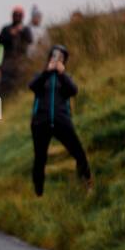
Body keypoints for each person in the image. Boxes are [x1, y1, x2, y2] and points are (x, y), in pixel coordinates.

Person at [29, 44, 92, 196]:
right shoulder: (41, 75)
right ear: (49, 58)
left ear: (64, 61)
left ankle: (86, 185)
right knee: (40, 158)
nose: (56, 60)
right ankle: (38, 193)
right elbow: (32, 86)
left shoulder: (66, 78)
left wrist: (62, 74)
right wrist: (47, 71)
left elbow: (73, 90)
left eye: (61, 58)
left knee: (79, 153)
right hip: (40, 122)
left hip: (61, 121)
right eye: (54, 56)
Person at [0, 5, 33, 94]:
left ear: (22, 16)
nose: (17, 16)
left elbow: (30, 40)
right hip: (7, 60)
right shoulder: (6, 29)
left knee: (20, 81)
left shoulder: (26, 29)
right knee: (6, 82)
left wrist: (21, 31)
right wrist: (11, 34)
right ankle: (5, 100)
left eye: (19, 15)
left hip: (21, 60)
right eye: (15, 14)